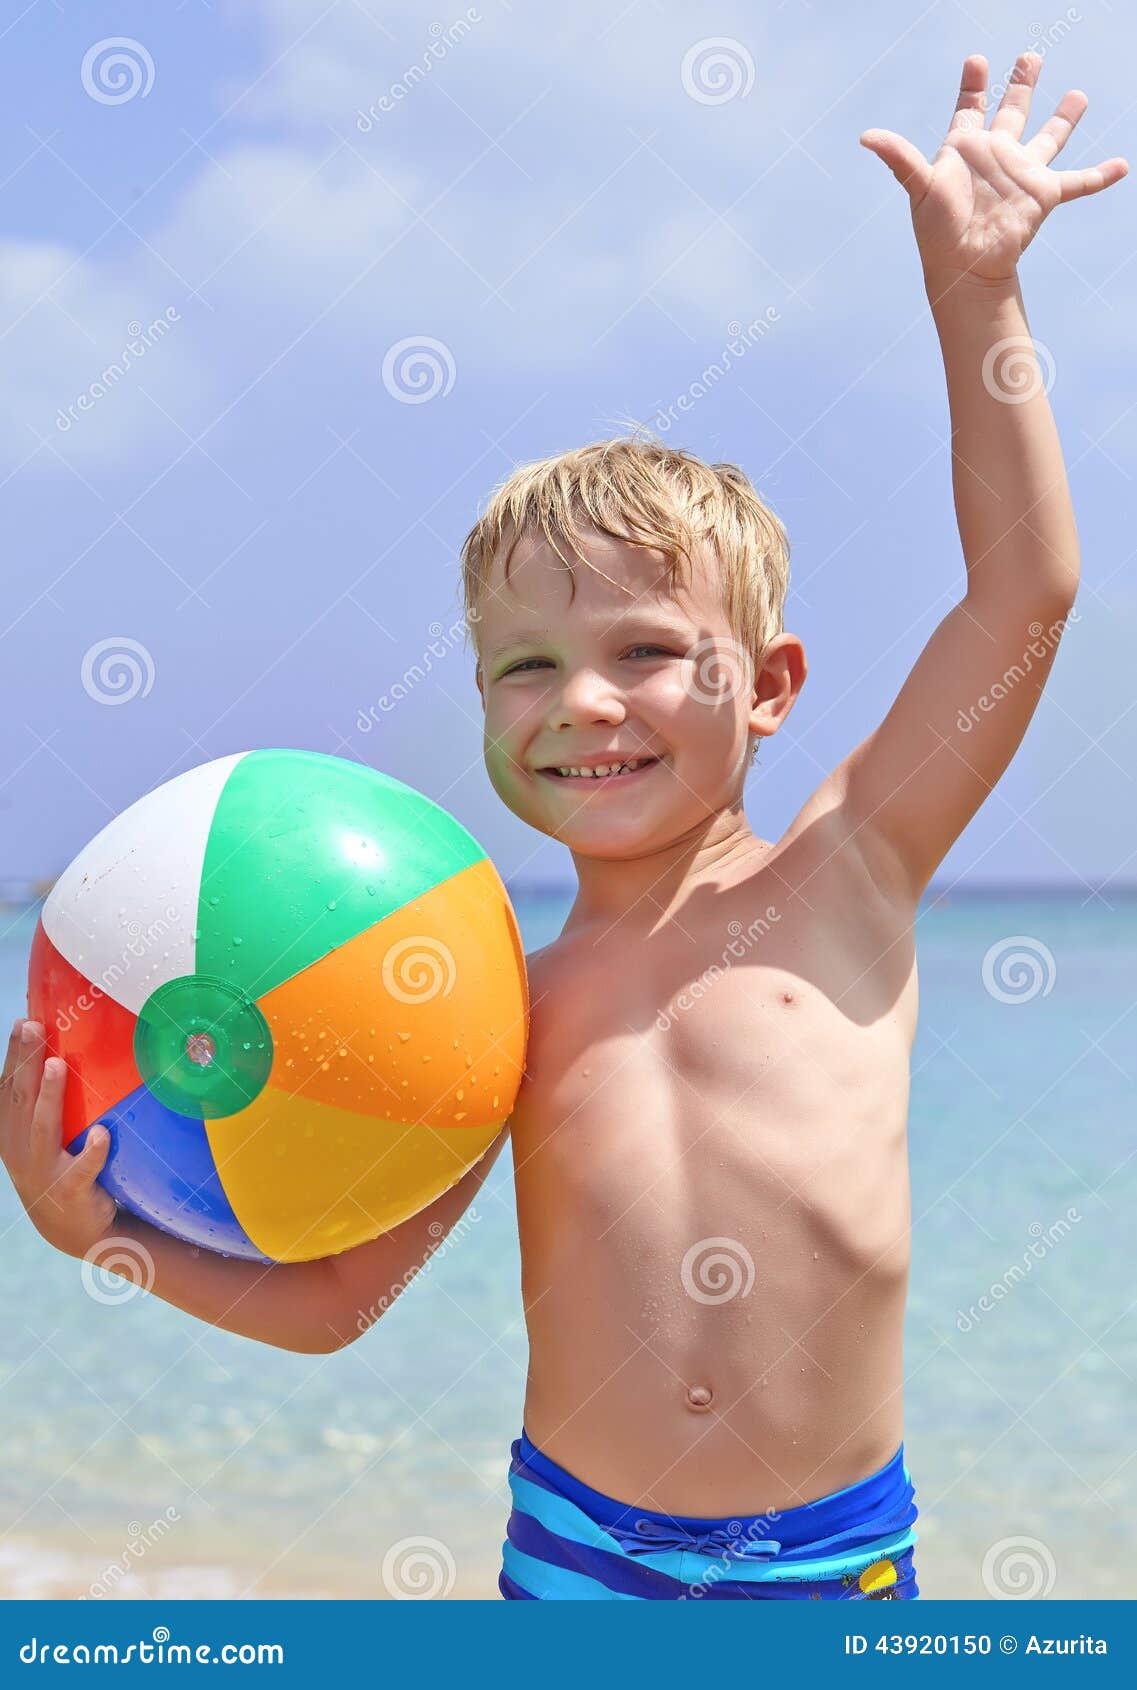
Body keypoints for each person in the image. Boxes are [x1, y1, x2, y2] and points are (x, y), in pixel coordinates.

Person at [0, 51, 1125, 1600]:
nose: (582, 703)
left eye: (644, 651)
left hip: (832, 1563)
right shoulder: (477, 1006)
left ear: (768, 684)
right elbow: (333, 1301)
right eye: (525, 667)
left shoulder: (850, 868)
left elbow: (1023, 594)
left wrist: (976, 294)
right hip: (575, 1558)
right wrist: (103, 1240)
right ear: (483, 706)